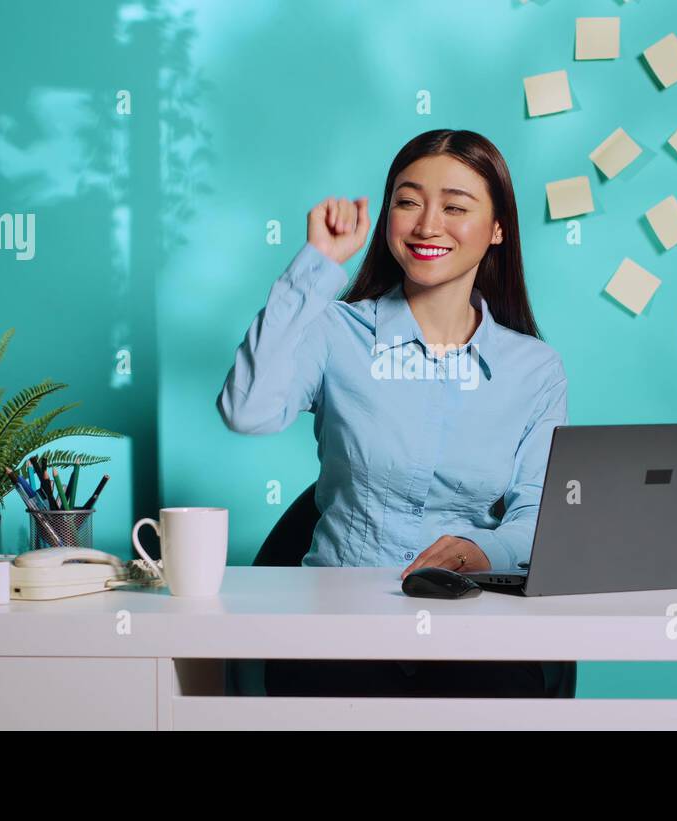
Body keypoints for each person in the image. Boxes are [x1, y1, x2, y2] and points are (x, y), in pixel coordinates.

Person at [218, 129, 568, 697]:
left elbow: (541, 513)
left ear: (498, 228)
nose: (428, 225)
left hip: (472, 623)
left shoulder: (535, 369)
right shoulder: (335, 330)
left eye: (456, 207)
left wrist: (485, 551)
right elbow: (247, 411)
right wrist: (316, 266)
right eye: (408, 202)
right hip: (338, 625)